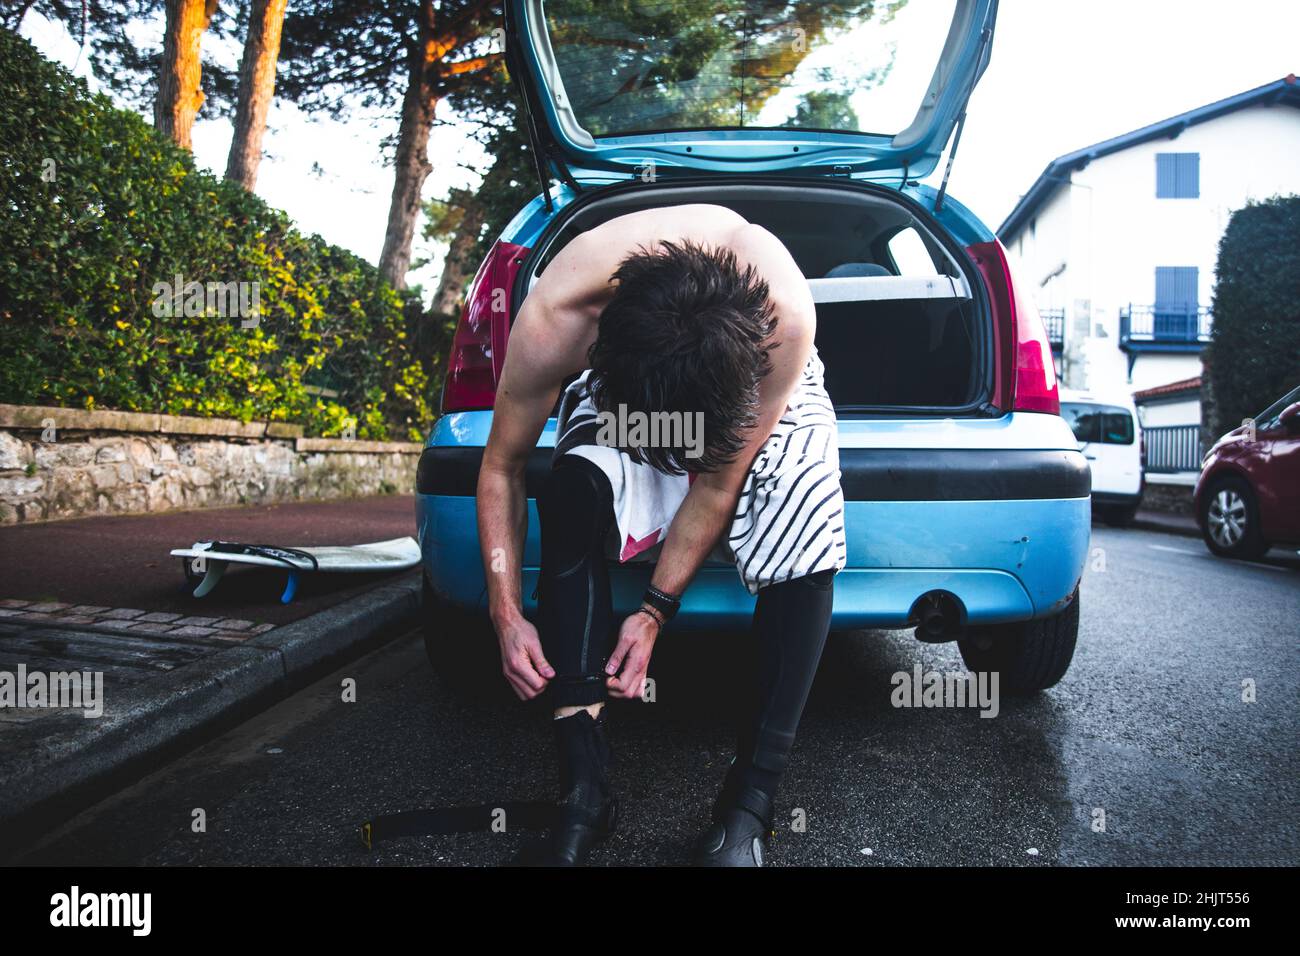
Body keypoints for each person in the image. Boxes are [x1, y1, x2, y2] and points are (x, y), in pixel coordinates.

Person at [476, 203, 846, 866]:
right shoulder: (555, 322)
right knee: (577, 480)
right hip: (638, 362)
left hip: (758, 370)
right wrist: (504, 612)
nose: (684, 463)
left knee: (805, 504)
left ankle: (748, 810)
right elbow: (501, 467)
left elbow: (714, 482)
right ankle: (583, 787)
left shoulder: (784, 320)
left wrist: (654, 611)